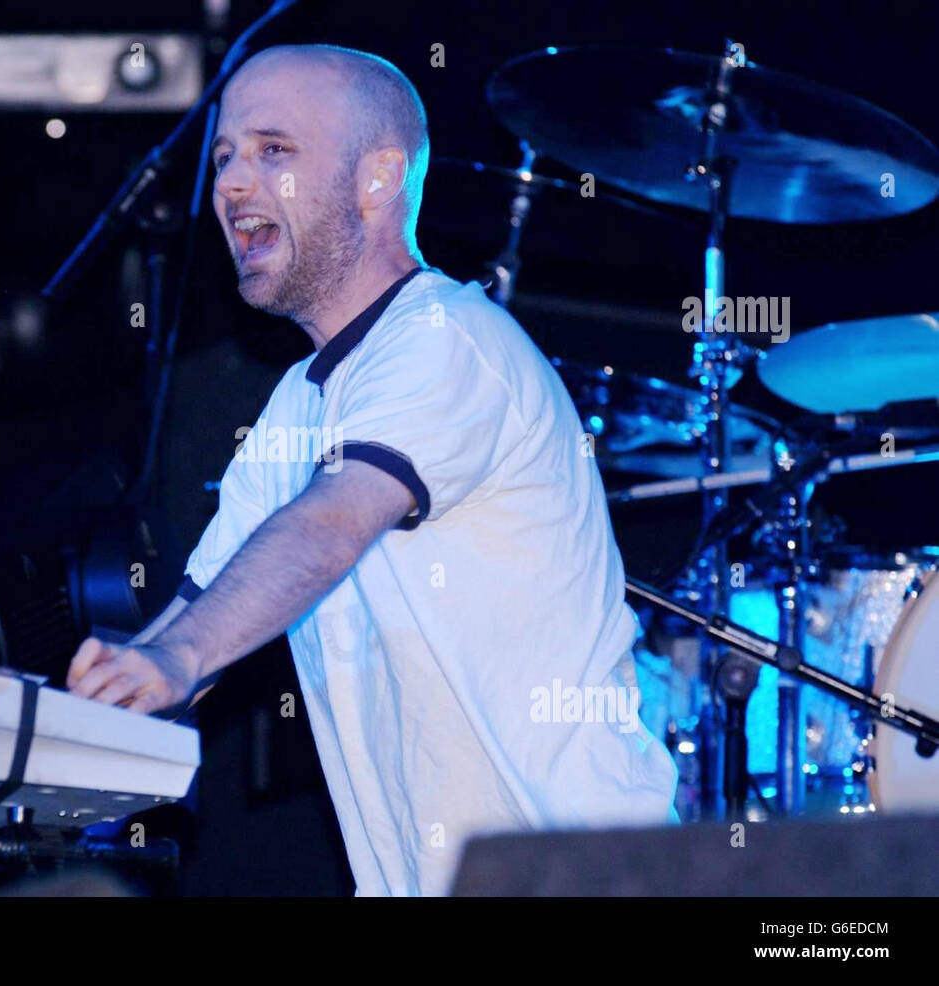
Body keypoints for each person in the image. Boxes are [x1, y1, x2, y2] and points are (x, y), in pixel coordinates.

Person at [68, 43, 677, 896]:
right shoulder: (299, 401)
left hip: (579, 879)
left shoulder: (446, 339)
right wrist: (77, 711)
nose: (233, 184)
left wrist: (172, 664)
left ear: (379, 178)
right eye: (224, 157)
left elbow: (329, 522)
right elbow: (194, 624)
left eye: (274, 151)